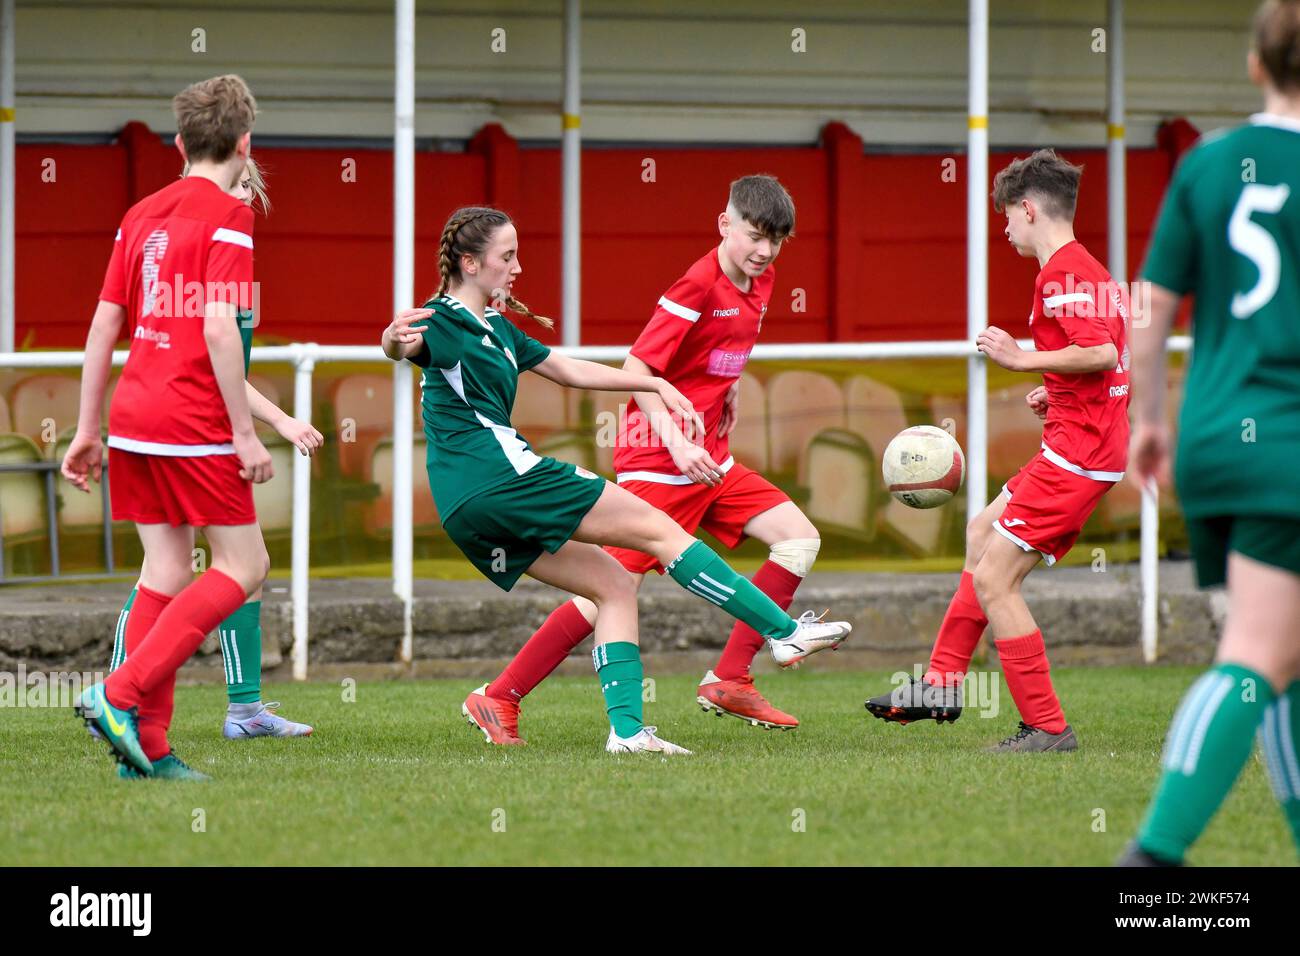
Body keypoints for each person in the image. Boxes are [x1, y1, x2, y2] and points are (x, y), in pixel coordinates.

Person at [381, 205, 852, 754]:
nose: (517, 268)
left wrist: (652, 386)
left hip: (466, 505)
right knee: (664, 534)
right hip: (505, 478)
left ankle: (627, 733)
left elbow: (571, 371)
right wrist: (393, 339)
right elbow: (404, 346)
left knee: (611, 588)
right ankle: (784, 632)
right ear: (468, 262)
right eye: (506, 257)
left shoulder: (499, 328)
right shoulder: (442, 320)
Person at [865, 148, 1131, 752]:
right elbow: (1107, 361)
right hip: (1082, 442)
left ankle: (1046, 726)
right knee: (982, 532)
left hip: (1077, 457)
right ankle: (941, 683)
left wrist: (1021, 357)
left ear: (1029, 209)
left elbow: (1102, 355)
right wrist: (1052, 388)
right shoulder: (1088, 269)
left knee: (996, 581)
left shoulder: (1062, 274)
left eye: (1008, 215)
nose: (1005, 226)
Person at [1120, 0, 1300, 865]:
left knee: (1284, 654)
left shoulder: (1209, 163)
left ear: (1256, 65)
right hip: (1292, 444)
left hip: (1223, 436)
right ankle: (1150, 866)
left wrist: (1150, 420)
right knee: (1258, 652)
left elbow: (1149, 311)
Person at [64, 74, 273, 781]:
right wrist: (244, 433)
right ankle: (117, 694)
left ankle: (146, 749)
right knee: (245, 568)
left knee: (166, 571)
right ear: (245, 144)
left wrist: (86, 427)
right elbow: (220, 326)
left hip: (134, 414)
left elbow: (103, 325)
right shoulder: (230, 216)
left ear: (180, 143)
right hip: (192, 415)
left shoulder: (140, 211)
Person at [106, 156, 320, 745]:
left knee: (223, 571)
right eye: (240, 180)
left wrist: (278, 419)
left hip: (204, 426)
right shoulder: (198, 247)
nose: (245, 194)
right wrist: (249, 432)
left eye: (251, 185)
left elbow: (227, 362)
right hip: (191, 429)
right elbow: (203, 347)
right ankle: (120, 693)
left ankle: (239, 709)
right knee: (185, 568)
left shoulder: (233, 263)